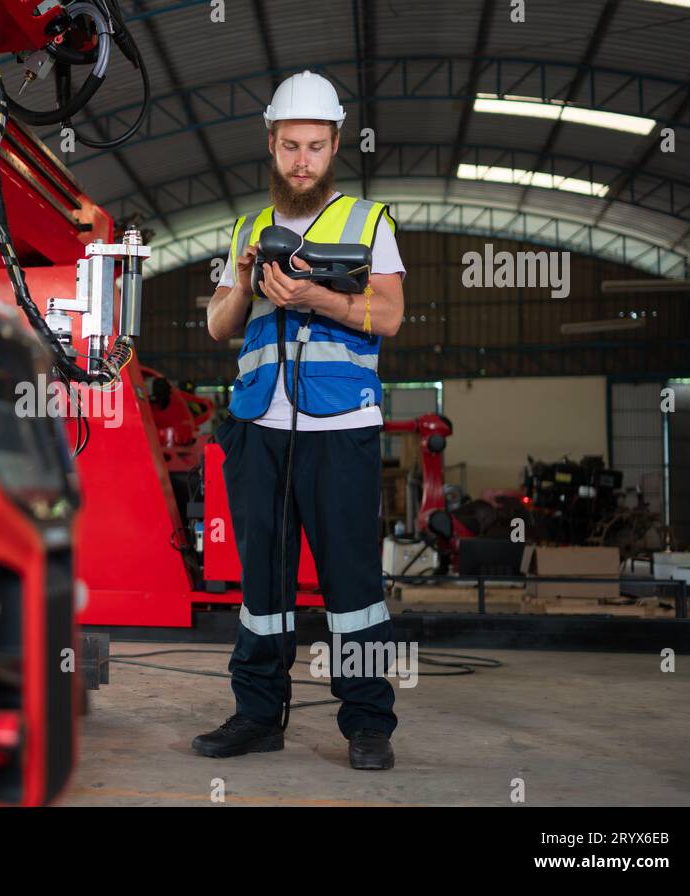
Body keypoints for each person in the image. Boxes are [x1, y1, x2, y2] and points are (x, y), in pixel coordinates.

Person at [194, 70, 405, 770]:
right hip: (259, 428)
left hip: (341, 429)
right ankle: (259, 714)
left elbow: (392, 314)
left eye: (315, 146)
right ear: (272, 145)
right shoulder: (247, 229)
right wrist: (248, 282)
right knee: (263, 586)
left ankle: (368, 723)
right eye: (290, 147)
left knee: (354, 587)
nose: (302, 161)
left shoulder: (367, 223)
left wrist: (316, 297)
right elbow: (219, 326)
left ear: (336, 143)